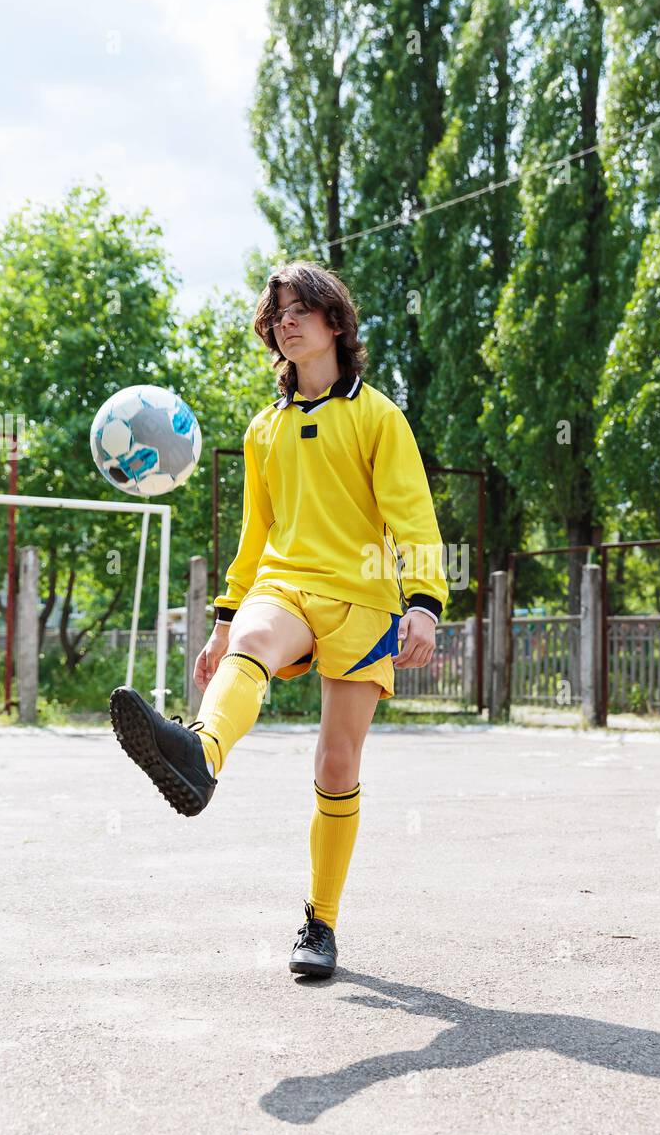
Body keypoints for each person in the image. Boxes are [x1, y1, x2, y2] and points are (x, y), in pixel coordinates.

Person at [110, 261, 449, 979]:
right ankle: (198, 757)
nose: (287, 321)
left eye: (302, 309)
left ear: (335, 323)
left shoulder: (378, 416)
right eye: (279, 314)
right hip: (285, 584)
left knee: (335, 763)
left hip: (362, 598)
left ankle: (320, 921)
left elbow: (412, 514)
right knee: (256, 643)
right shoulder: (263, 429)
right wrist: (226, 619)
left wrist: (423, 601)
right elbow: (254, 532)